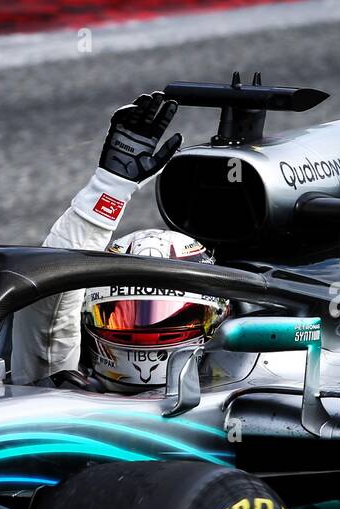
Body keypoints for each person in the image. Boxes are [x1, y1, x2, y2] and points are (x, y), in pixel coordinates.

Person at [12, 92, 229, 391]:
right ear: (85, 315)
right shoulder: (58, 394)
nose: (145, 334)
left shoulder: (253, 389)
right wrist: (109, 188)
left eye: (168, 320)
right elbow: (53, 295)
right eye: (121, 317)